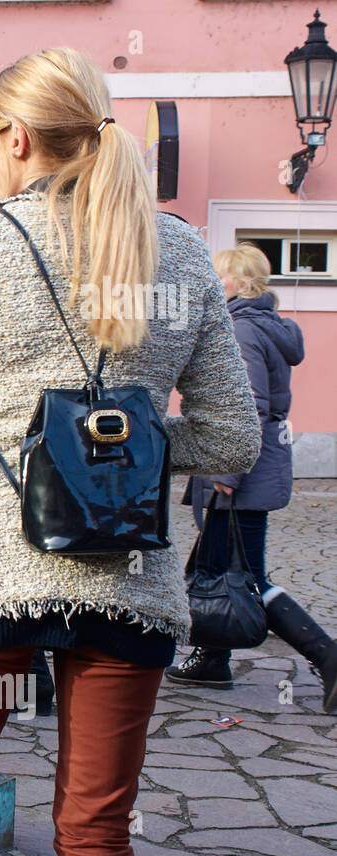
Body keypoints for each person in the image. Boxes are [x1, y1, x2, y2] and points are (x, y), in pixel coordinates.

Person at [0, 48, 261, 856]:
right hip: (127, 580)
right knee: (95, 830)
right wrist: (126, 454)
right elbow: (231, 438)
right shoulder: (184, 250)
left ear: (13, 138)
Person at [167, 243, 337, 712]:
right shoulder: (270, 326)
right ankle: (211, 660)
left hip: (240, 472)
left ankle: (327, 655)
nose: (213, 285)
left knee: (248, 576)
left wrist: (225, 469)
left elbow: (249, 408)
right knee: (219, 567)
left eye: (220, 277)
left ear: (240, 283)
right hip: (256, 470)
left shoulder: (240, 327)